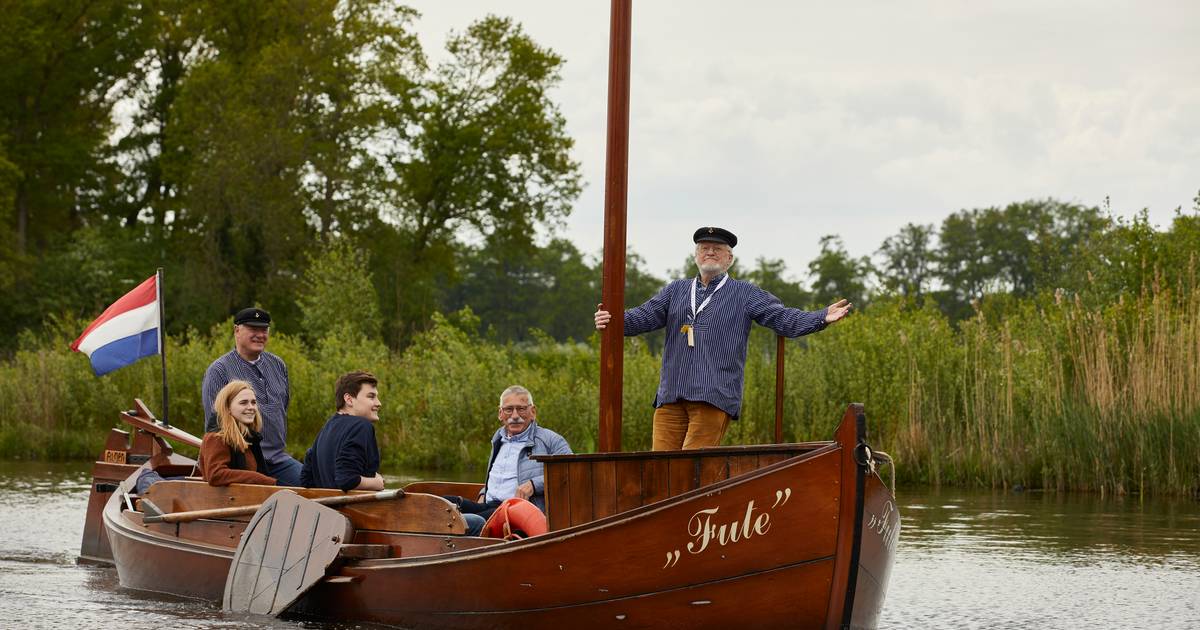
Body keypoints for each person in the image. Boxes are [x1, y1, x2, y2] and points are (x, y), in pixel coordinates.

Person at [594, 226, 852, 451]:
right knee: (659, 469)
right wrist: (612, 320)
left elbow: (783, 318)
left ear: (729, 258)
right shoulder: (676, 290)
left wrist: (820, 317)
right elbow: (642, 317)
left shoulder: (745, 293)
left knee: (691, 468)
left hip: (712, 395)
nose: (710, 252)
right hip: (671, 396)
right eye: (704, 248)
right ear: (695, 256)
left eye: (717, 249)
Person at [201, 307, 303, 487]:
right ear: (237, 330)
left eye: (264, 330)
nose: (260, 335)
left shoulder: (278, 365)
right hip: (241, 461)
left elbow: (283, 408)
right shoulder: (219, 370)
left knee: (315, 484)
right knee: (279, 491)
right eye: (253, 329)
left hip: (277, 459)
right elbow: (216, 421)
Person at [450, 385, 573, 522]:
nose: (515, 416)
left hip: (517, 512)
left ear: (533, 412)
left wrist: (533, 485)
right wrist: (483, 493)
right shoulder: (498, 438)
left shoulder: (551, 439)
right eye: (509, 409)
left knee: (462, 520)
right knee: (444, 503)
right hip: (489, 506)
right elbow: (500, 477)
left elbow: (571, 472)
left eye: (521, 409)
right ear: (500, 413)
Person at [301, 371, 386, 491]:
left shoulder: (326, 428)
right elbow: (347, 479)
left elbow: (306, 480)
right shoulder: (362, 426)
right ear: (349, 399)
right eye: (371, 396)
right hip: (353, 504)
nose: (378, 403)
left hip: (325, 502)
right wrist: (377, 483)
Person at [198, 380, 277, 486]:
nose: (251, 407)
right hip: (225, 497)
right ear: (228, 408)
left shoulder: (250, 438)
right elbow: (216, 474)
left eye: (253, 402)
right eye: (243, 403)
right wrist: (260, 479)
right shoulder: (216, 437)